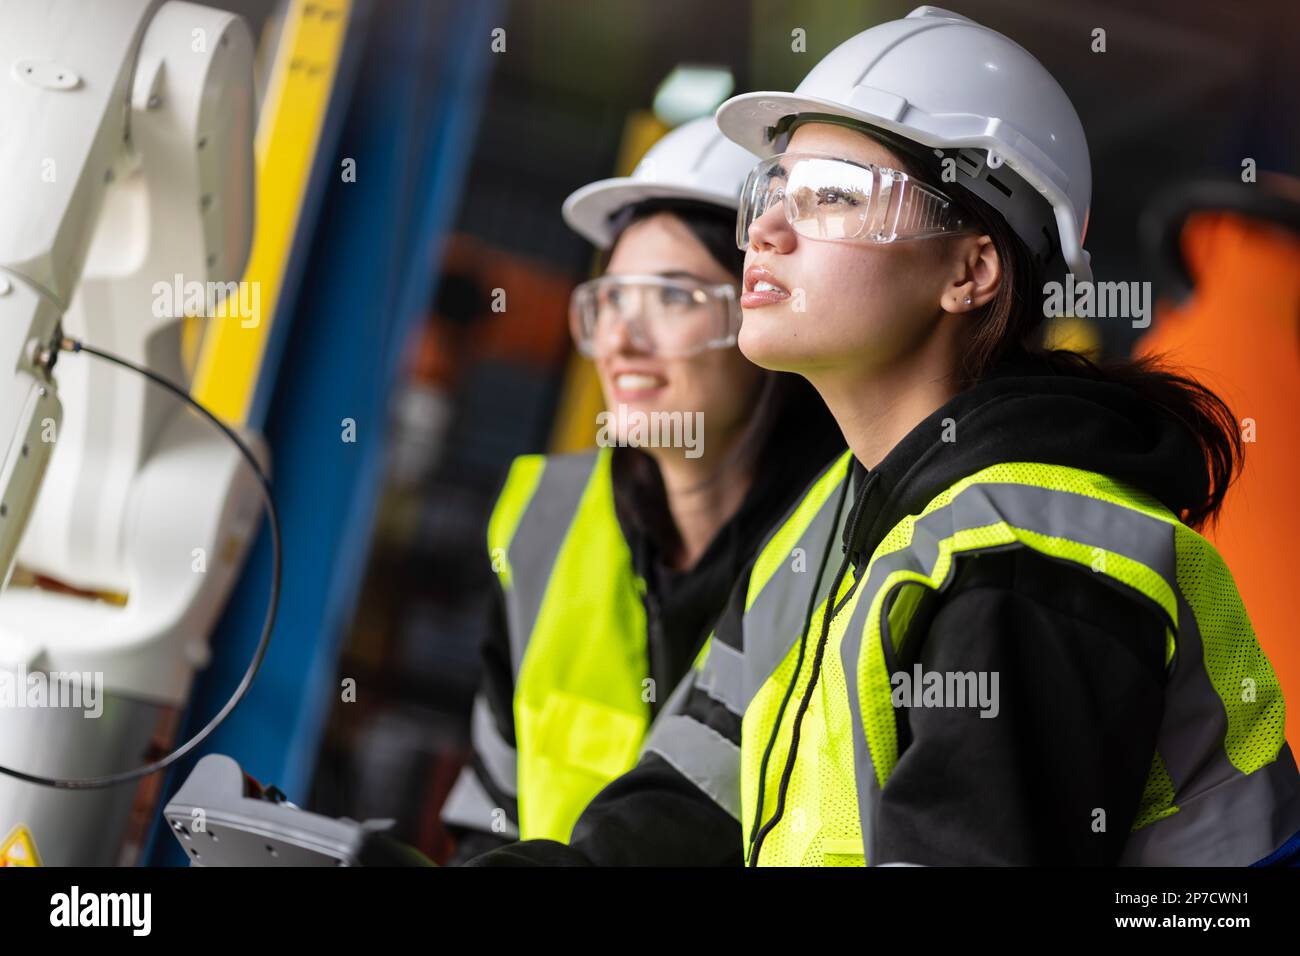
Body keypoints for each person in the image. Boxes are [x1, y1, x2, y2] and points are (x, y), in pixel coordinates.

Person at [469, 6, 1300, 866]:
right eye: (775, 190)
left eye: (833, 193)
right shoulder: (833, 533)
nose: (765, 230)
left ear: (971, 270)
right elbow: (687, 803)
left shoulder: (1029, 555)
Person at [442, 117, 844, 860]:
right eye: (614, 299)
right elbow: (493, 805)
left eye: (676, 299)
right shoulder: (547, 517)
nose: (624, 340)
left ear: (766, 311)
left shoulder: (849, 540)